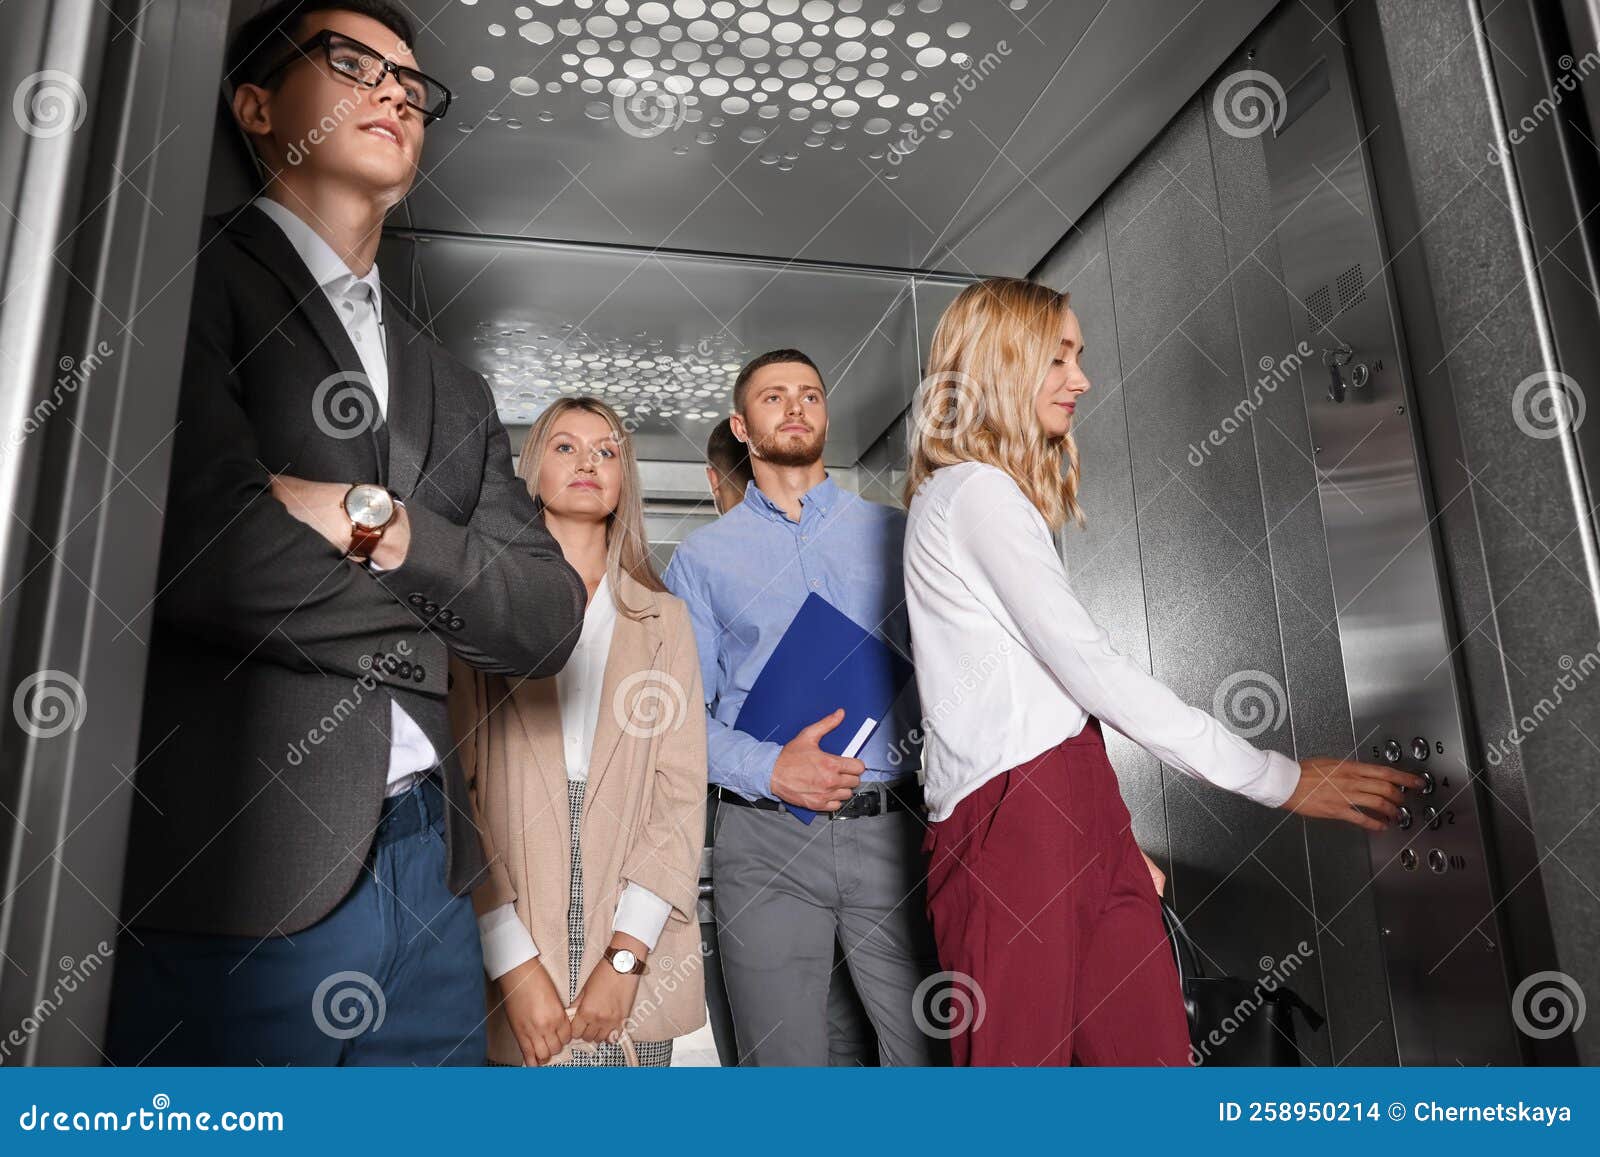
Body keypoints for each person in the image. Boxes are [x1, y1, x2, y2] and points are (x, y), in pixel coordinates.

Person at [104, 0, 586, 1066]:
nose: (394, 94)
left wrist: (378, 520)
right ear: (257, 106)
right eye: (352, 64)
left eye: (411, 83)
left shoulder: (456, 386)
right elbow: (198, 547)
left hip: (432, 880)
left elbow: (549, 618)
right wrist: (441, 625)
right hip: (238, 873)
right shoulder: (177, 279)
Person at [901, 278, 1425, 1066]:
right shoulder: (973, 492)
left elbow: (1036, 691)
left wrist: (1103, 836)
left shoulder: (983, 498)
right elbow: (1090, 668)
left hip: (1070, 803)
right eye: (1059, 357)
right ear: (1001, 363)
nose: (1081, 379)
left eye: (1079, 356)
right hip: (1017, 815)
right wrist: (1278, 778)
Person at [664, 350, 947, 1067]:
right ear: (741, 425)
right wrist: (771, 769)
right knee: (783, 1066)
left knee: (932, 1054)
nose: (795, 407)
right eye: (773, 397)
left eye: (810, 394)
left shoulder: (902, 533)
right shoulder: (700, 561)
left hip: (897, 830)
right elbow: (679, 721)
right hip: (765, 841)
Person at [451, 398, 707, 1067]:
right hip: (511, 910)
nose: (588, 461)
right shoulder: (483, 610)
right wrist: (511, 960)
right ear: (532, 471)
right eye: (565, 446)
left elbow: (679, 798)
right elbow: (458, 796)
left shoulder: (666, 621)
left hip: (634, 919)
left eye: (607, 450)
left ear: (624, 479)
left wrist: (625, 958)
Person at [698, 417, 880, 1067]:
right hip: (779, 829)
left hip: (798, 829)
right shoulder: (703, 564)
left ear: (714, 481)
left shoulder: (875, 538)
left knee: (784, 1045)